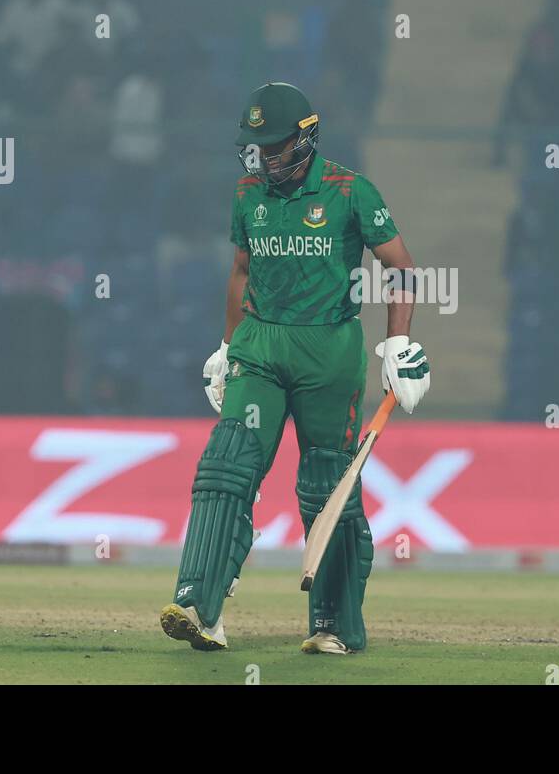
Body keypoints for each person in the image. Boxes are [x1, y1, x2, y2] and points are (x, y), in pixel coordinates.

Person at [161, 82, 430, 654]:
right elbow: (240, 269)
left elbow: (401, 268)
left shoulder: (350, 191)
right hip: (259, 347)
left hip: (329, 353)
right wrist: (228, 346)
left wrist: (398, 346)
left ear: (305, 140)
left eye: (273, 146)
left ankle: (334, 624)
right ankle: (199, 605)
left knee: (326, 485)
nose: (261, 157)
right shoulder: (247, 193)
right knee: (227, 464)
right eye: (254, 147)